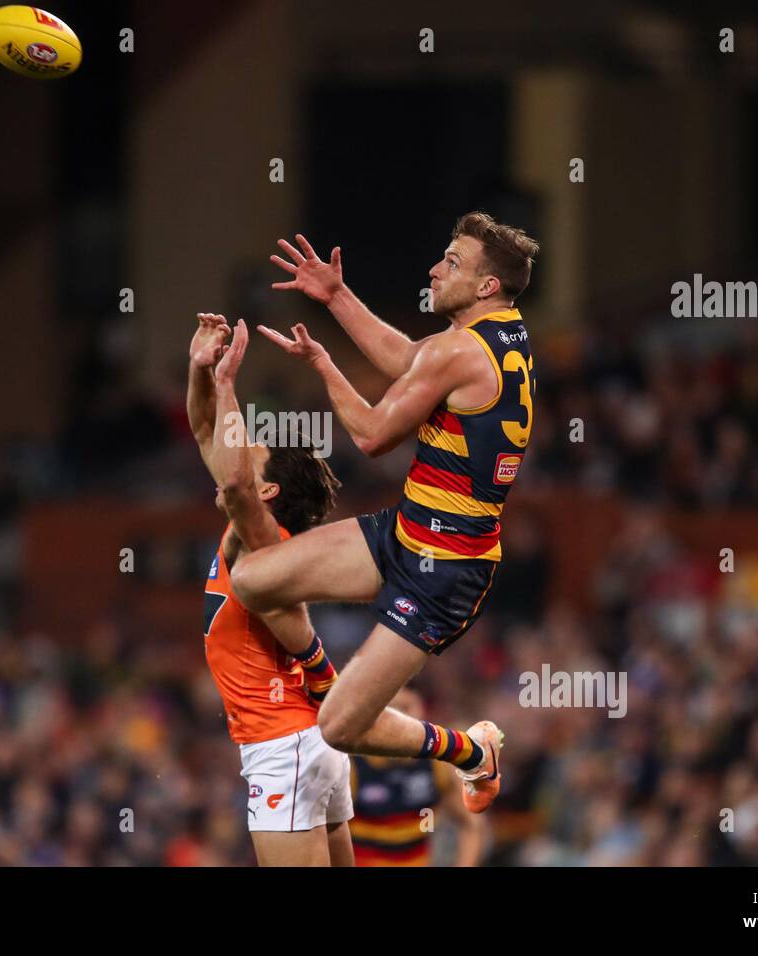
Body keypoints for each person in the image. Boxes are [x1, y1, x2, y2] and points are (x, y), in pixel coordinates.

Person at [231, 212, 539, 813]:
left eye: (452, 262)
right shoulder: (501, 330)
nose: (434, 269)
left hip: (446, 572)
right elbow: (409, 359)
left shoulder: (461, 351)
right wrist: (336, 295)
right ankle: (326, 681)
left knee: (340, 728)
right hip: (405, 531)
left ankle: (471, 752)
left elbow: (372, 435)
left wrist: (322, 364)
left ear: (485, 286)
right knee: (251, 581)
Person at [187, 312, 354, 866]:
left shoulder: (262, 538)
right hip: (306, 741)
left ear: (269, 488)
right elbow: (209, 432)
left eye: (251, 452)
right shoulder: (255, 530)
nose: (233, 459)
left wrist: (229, 384)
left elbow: (234, 482)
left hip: (283, 745)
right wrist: (199, 372)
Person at [349, 688, 489, 865]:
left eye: (405, 709)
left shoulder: (437, 765)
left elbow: (472, 824)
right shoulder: (351, 766)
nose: (398, 721)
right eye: (390, 710)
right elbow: (326, 832)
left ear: (421, 710)